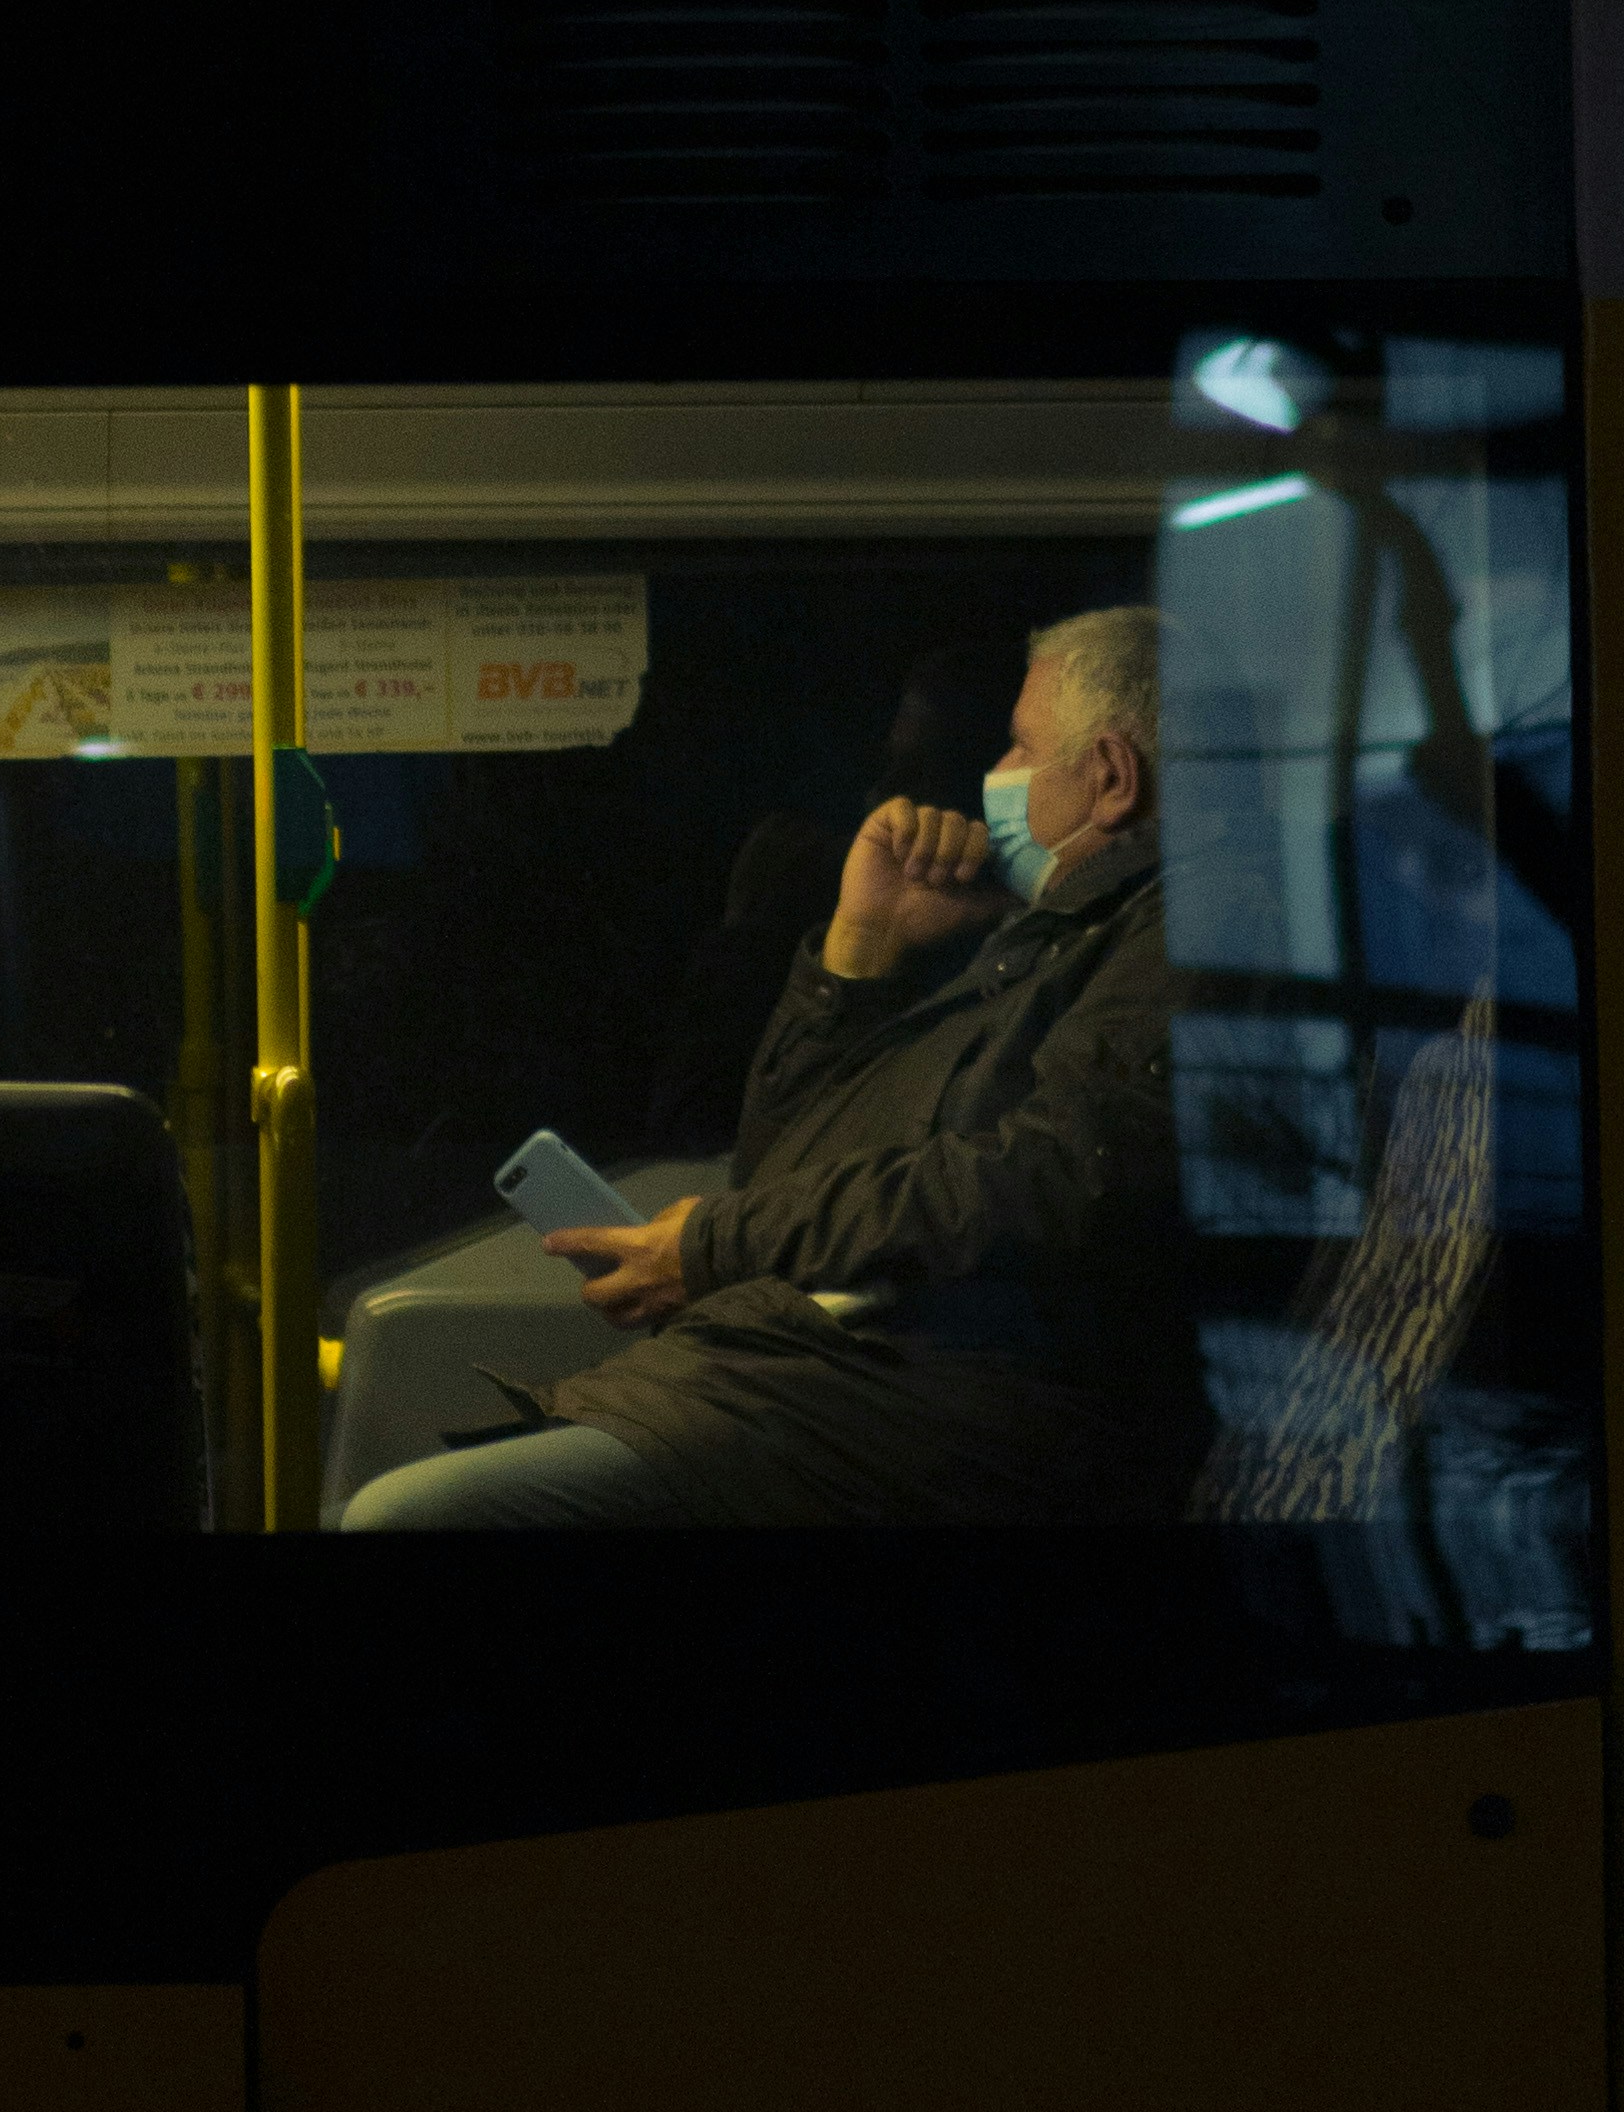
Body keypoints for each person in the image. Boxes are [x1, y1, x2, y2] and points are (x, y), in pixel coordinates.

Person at [340, 604, 1196, 1533]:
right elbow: (781, 1162)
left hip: (940, 1410)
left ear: (1111, 778)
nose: (991, 783)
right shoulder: (1035, 950)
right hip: (827, 1384)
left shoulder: (1186, 945)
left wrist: (715, 1246)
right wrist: (859, 951)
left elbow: (1046, 1180)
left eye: (1017, 750)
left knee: (405, 1515)